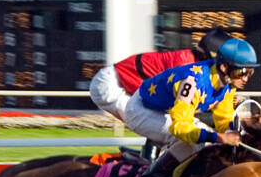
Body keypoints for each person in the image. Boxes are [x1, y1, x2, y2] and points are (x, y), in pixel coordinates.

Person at [126, 37, 259, 177]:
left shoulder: (228, 85)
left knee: (201, 138)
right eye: (242, 71)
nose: (245, 78)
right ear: (224, 67)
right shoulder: (192, 82)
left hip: (164, 109)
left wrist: (245, 130)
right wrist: (218, 138)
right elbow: (180, 127)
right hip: (140, 110)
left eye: (250, 72)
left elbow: (223, 120)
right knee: (193, 141)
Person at [89, 28, 232, 122]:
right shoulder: (186, 65)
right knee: (161, 125)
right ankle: (148, 166)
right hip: (111, 84)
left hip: (117, 81)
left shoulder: (193, 62)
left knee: (161, 123)